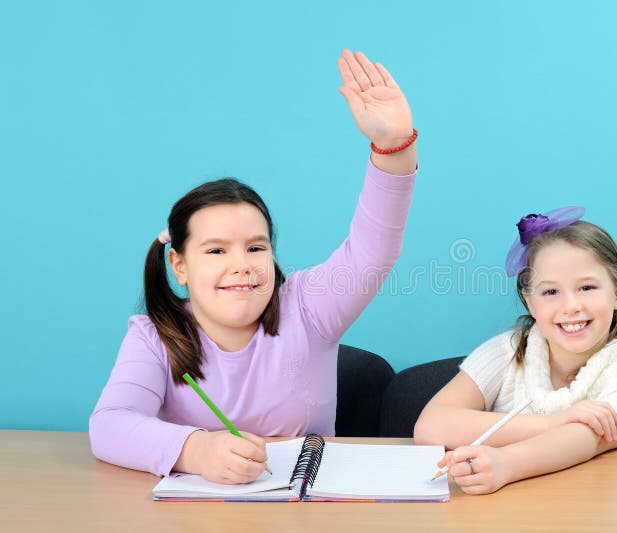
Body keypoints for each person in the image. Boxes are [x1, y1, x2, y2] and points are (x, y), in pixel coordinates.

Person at [90, 50, 417, 484]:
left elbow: (373, 251)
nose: (241, 266)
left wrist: (394, 146)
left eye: (256, 248)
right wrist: (197, 450)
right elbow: (108, 425)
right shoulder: (154, 338)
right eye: (216, 251)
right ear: (179, 264)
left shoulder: (307, 307)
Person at [414, 208, 617, 495]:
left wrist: (505, 463)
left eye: (587, 287)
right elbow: (430, 426)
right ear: (531, 303)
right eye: (550, 292)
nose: (571, 306)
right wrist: (551, 422)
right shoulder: (509, 351)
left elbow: (586, 438)